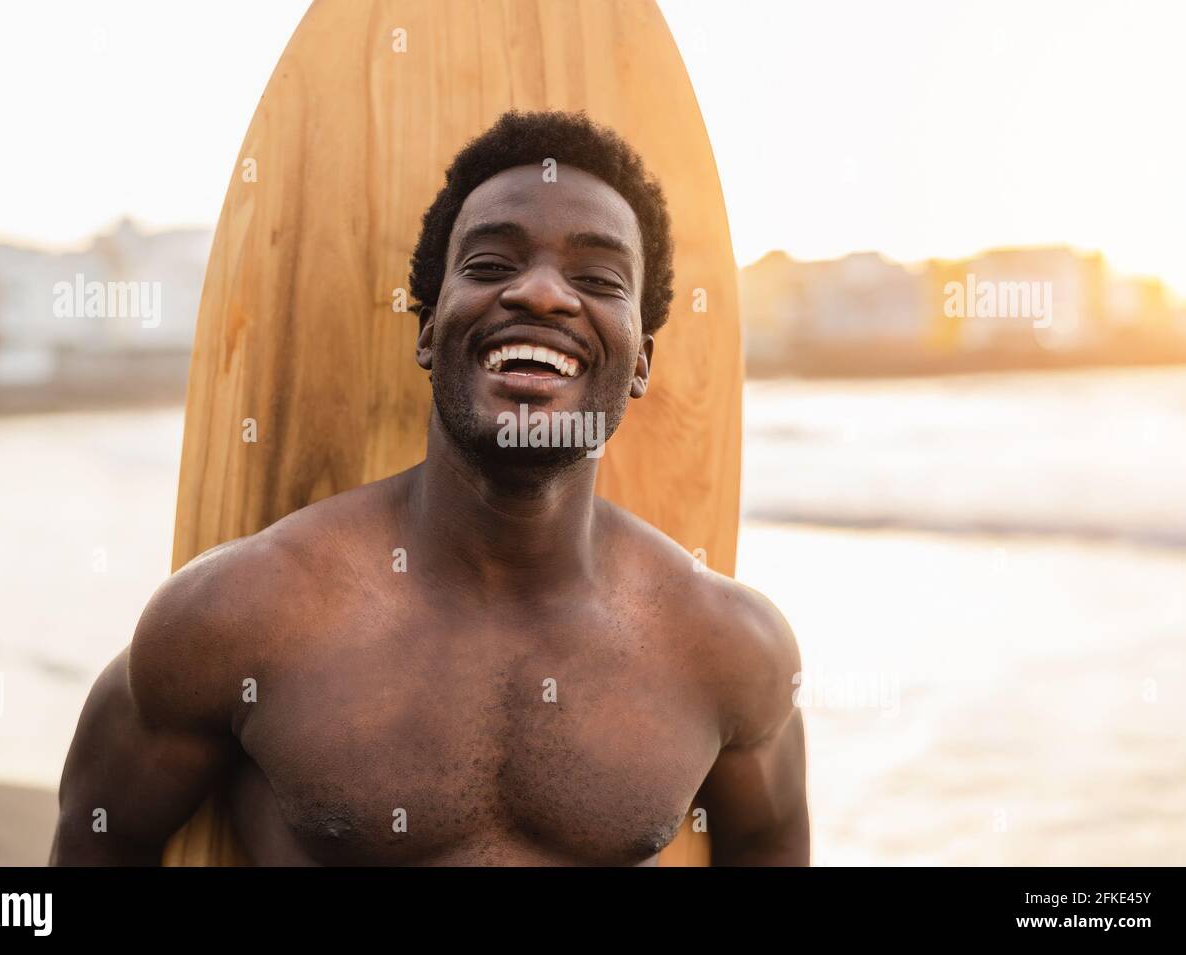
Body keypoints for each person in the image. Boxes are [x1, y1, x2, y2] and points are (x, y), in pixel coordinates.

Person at [51, 110, 808, 866]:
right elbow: (98, 844)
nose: (543, 294)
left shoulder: (729, 649)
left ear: (640, 361)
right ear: (427, 328)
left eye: (597, 279)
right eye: (488, 265)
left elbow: (771, 845)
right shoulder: (239, 616)